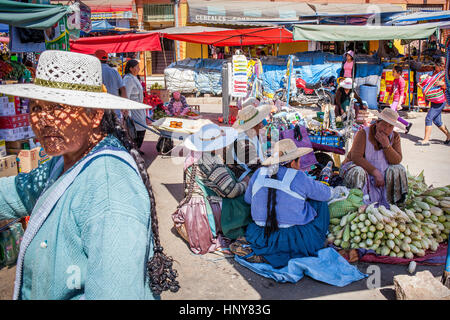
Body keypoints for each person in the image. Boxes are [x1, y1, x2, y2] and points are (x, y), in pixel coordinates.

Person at [0, 50, 178, 299]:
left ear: (94, 115)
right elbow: (19, 192)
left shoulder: (109, 189)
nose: (44, 120)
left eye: (57, 108)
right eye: (38, 108)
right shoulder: (66, 160)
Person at [230, 139, 337, 268]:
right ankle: (317, 239)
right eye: (299, 160)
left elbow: (248, 200)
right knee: (320, 203)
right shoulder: (299, 177)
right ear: (293, 162)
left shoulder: (259, 173)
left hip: (260, 235)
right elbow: (326, 194)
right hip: (294, 239)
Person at [172, 124, 252, 255]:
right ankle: (231, 230)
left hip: (194, 204)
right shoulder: (209, 160)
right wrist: (245, 184)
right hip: (205, 207)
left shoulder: (195, 155)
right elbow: (231, 192)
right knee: (244, 204)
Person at [340, 108, 408, 207]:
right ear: (377, 123)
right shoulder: (363, 133)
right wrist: (375, 172)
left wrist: (386, 146)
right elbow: (356, 157)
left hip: (382, 174)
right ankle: (357, 205)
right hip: (361, 171)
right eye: (384, 124)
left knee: (398, 168)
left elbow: (397, 160)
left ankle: (394, 204)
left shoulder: (395, 137)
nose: (386, 129)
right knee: (358, 171)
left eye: (390, 126)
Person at [226, 104, 271, 181]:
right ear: (252, 126)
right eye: (259, 122)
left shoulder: (253, 134)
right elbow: (256, 166)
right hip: (245, 176)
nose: (261, 125)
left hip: (254, 168)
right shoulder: (243, 142)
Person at [416, 58, 450, 145]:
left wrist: (443, 84)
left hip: (440, 101)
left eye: (436, 66)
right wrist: (422, 84)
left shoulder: (445, 75)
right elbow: (430, 84)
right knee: (437, 121)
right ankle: (449, 136)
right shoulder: (435, 73)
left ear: (441, 66)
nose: (435, 67)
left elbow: (448, 85)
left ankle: (426, 140)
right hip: (434, 100)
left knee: (428, 118)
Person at [94, 50, 127, 120]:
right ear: (106, 60)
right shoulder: (114, 72)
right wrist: (125, 107)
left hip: (99, 112)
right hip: (114, 110)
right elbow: (123, 89)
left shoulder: (94, 72)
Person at [123, 59, 147, 154]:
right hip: (133, 108)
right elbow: (126, 95)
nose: (139, 68)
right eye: (137, 67)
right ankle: (134, 149)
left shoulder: (134, 77)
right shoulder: (128, 79)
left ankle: (136, 148)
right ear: (131, 68)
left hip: (139, 108)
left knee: (141, 128)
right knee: (137, 129)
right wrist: (127, 111)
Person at [386, 65, 412, 133]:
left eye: (393, 72)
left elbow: (402, 93)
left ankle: (394, 126)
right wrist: (387, 99)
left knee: (392, 113)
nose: (392, 73)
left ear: (399, 73)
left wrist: (399, 103)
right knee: (395, 115)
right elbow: (391, 90)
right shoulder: (395, 80)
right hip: (395, 100)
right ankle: (407, 124)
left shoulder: (401, 81)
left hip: (397, 100)